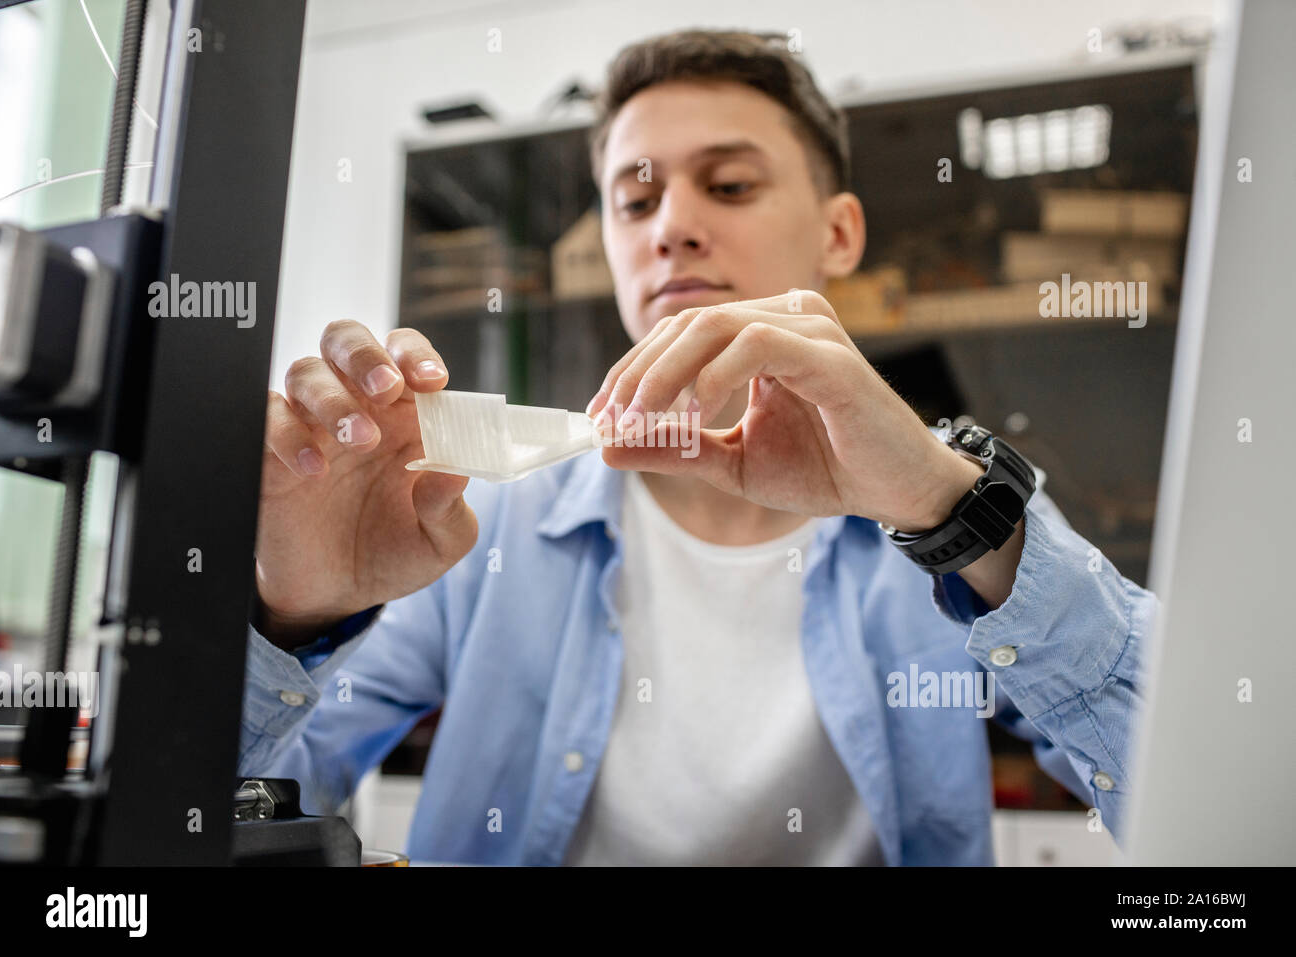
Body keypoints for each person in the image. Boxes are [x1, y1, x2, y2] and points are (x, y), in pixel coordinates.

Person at [242, 30, 1155, 865]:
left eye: (728, 186)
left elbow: (1210, 798)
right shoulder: (473, 523)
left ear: (838, 231)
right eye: (635, 198)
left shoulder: (955, 509)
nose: (671, 224)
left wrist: (951, 515)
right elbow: (206, 819)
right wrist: (289, 616)